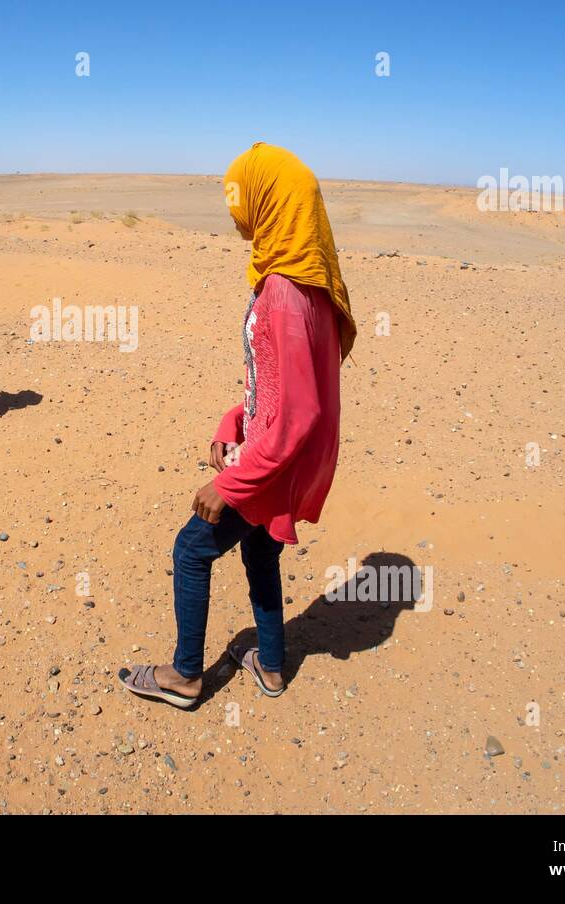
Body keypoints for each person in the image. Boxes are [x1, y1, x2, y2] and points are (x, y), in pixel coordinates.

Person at [119, 142, 357, 708]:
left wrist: (229, 483)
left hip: (273, 461)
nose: (231, 208)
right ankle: (271, 665)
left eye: (240, 194)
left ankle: (183, 677)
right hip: (276, 452)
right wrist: (234, 421)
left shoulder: (283, 293)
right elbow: (277, 385)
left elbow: (299, 413)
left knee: (191, 549)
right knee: (258, 553)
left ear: (275, 200)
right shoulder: (308, 283)